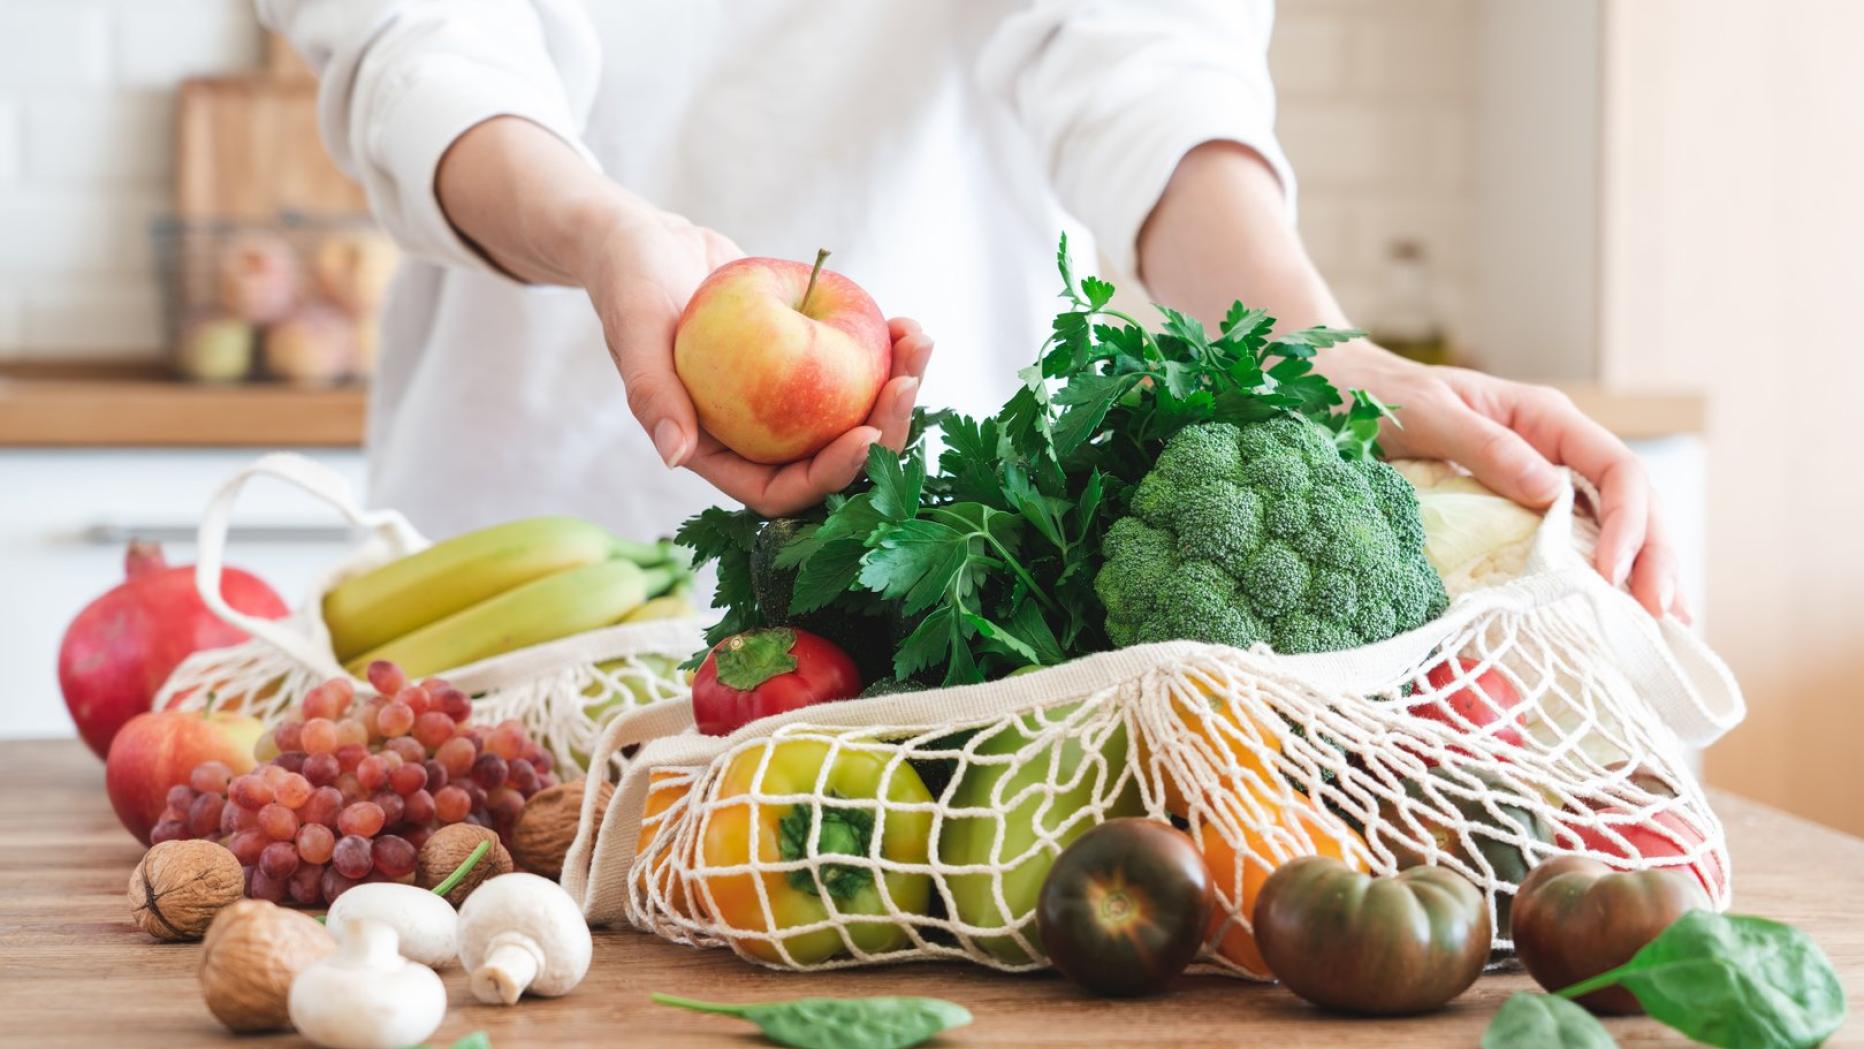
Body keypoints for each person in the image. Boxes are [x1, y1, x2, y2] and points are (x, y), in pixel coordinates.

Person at [260, 1, 1681, 619]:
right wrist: (601, 230)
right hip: (512, 567)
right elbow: (417, 40)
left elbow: (1143, 59)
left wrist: (1315, 349)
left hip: (954, 588)